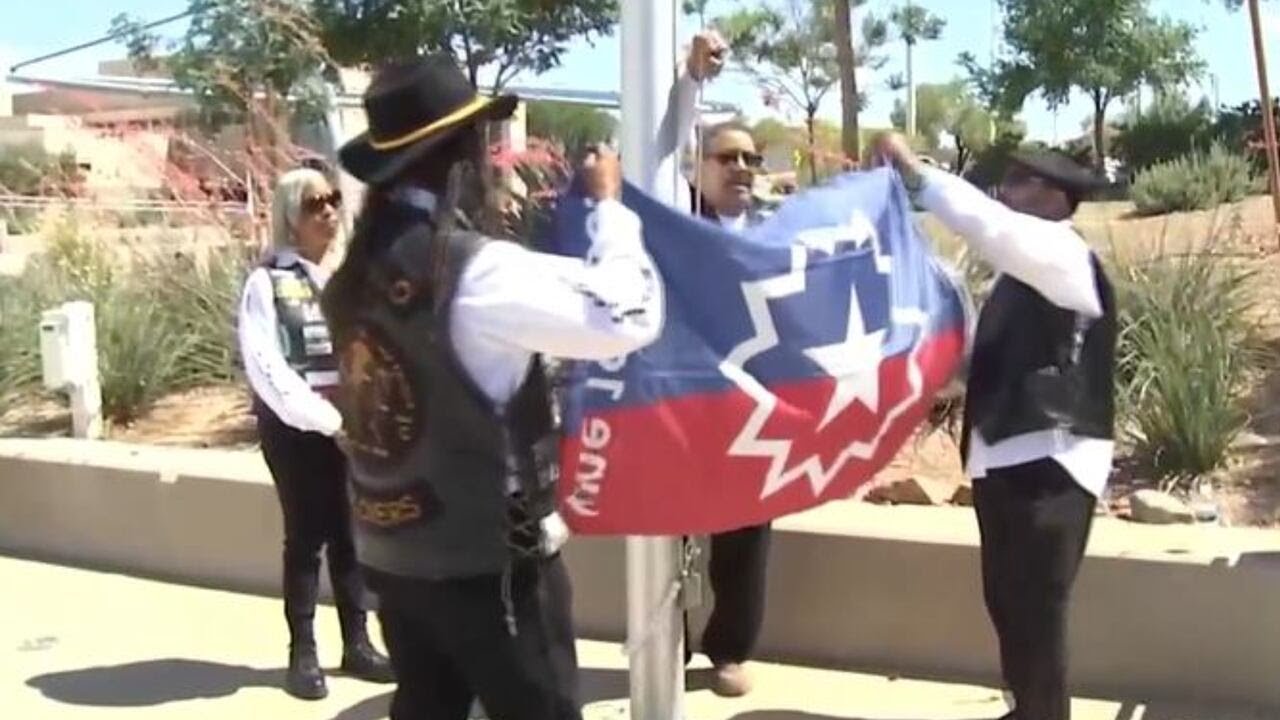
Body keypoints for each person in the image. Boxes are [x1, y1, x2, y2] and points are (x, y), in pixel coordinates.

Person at [322, 53, 664, 720]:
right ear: (460, 154)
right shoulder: (476, 271)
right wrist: (609, 211)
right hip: (489, 570)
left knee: (427, 707)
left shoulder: (354, 267)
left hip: (394, 556)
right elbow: (628, 315)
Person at [870, 132, 1116, 720]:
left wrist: (916, 171)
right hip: (1003, 461)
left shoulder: (1059, 253)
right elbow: (973, 368)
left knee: (1037, 609)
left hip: (1050, 461)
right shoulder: (1017, 280)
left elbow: (988, 226)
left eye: (1020, 181)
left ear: (1056, 198)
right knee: (1008, 603)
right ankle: (1025, 708)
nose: (1006, 192)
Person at [237, 167, 394, 700]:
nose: (328, 211)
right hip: (297, 433)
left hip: (350, 432)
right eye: (313, 205)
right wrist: (330, 422)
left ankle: (358, 643)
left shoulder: (346, 277)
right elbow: (268, 369)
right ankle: (301, 653)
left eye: (332, 200)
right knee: (306, 538)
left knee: (351, 537)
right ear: (289, 218)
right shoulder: (266, 283)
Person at [666, 30, 773, 699]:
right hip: (677, 406)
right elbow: (661, 149)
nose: (742, 167)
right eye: (728, 156)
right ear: (699, 167)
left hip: (750, 411)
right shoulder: (679, 217)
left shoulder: (770, 233)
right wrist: (691, 83)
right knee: (670, 538)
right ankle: (666, 650)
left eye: (751, 159)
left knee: (746, 539)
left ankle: (728, 650)